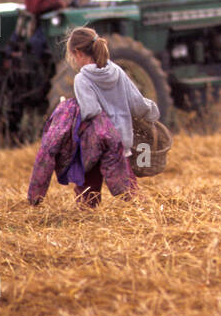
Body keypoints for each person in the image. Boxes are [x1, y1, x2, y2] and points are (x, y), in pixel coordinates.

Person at [67, 27, 161, 204]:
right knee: (129, 193)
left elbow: (90, 111)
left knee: (87, 196)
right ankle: (141, 218)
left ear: (78, 52)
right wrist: (153, 112)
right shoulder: (117, 71)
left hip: (95, 146)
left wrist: (70, 114)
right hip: (120, 143)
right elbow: (137, 105)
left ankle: (88, 222)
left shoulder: (82, 79)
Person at [27, 96, 135, 207]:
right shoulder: (67, 116)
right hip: (88, 149)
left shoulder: (101, 128)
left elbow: (46, 153)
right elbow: (47, 152)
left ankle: (89, 208)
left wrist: (35, 197)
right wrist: (126, 193)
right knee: (89, 195)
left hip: (90, 149)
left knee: (88, 194)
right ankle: (90, 209)